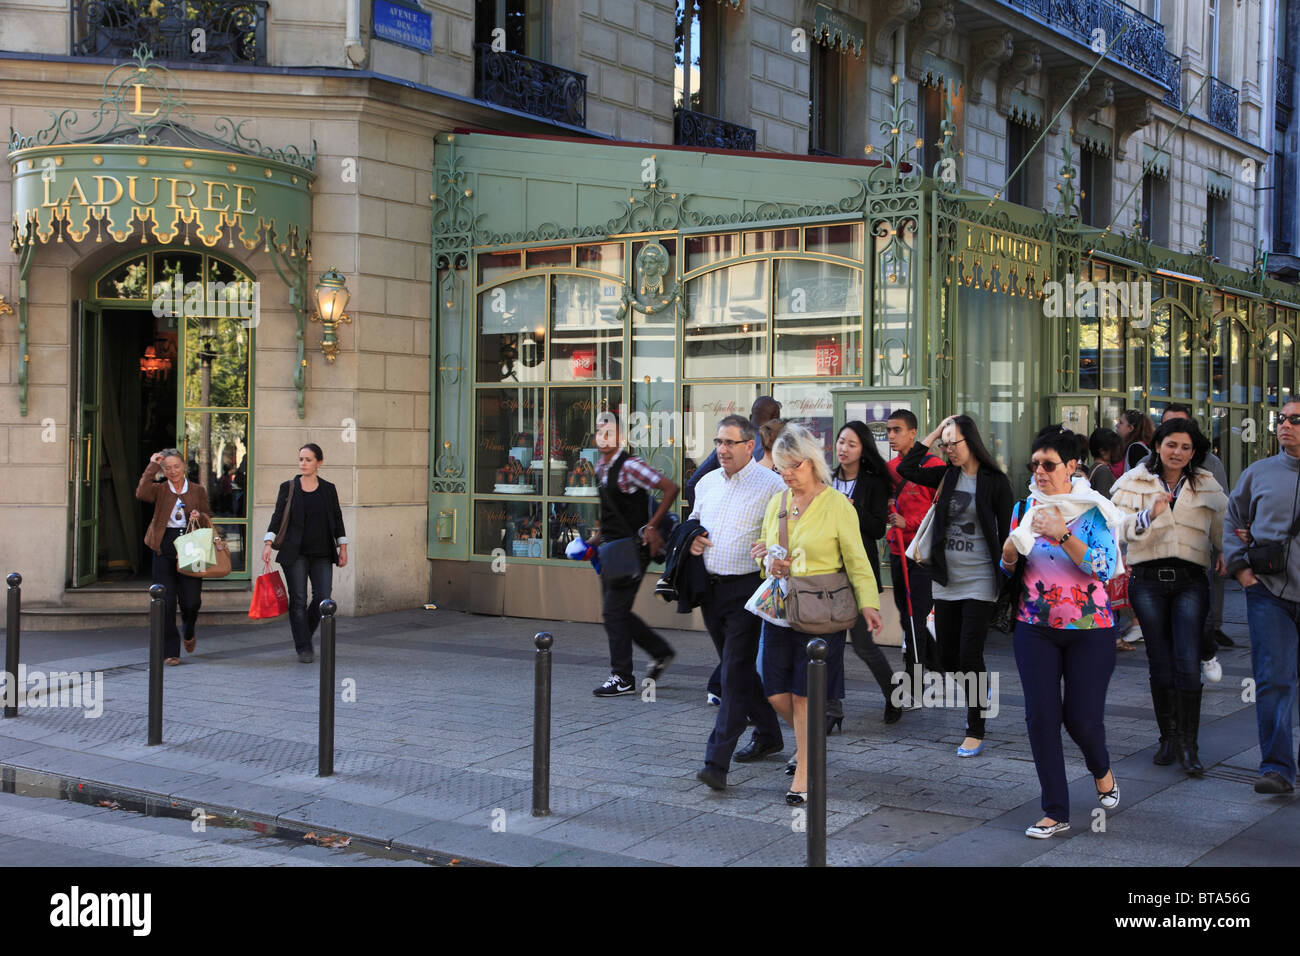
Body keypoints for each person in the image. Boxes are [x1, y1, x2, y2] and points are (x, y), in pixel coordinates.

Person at [1000, 425, 1123, 838]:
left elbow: (1104, 568)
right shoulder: (1024, 509)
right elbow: (1010, 567)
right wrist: (1008, 556)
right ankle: (1055, 809)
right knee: (1041, 717)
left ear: (1072, 467)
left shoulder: (1093, 510)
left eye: (1049, 464)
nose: (1040, 471)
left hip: (1091, 628)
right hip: (1034, 626)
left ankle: (1101, 769)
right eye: (1034, 464)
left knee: (1082, 720)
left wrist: (1062, 534)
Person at [753, 423, 883, 806]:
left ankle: (805, 776)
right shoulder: (777, 502)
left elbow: (857, 560)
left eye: (793, 466)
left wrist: (869, 604)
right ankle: (810, 745)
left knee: (804, 694)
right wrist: (767, 562)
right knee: (773, 688)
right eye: (780, 468)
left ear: (811, 462)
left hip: (822, 608)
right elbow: (768, 553)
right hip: (780, 607)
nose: (787, 474)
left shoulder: (837, 504)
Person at [1111, 420, 1227, 774]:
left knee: (1187, 660)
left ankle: (1189, 746)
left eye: (1186, 447)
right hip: (1147, 579)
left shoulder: (1206, 483)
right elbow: (1119, 530)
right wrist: (1150, 514)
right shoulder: (1132, 481)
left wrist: (1225, 552)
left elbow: (1221, 526)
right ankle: (1169, 738)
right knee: (1159, 660)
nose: (1177, 452)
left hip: (1191, 578)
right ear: (1157, 445)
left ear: (1194, 452)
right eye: (1171, 444)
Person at [899, 414, 1013, 757]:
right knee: (948, 657)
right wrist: (935, 432)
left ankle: (975, 728)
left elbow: (1007, 533)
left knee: (969, 653)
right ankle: (980, 691)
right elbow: (907, 468)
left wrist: (1009, 579)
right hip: (947, 578)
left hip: (980, 579)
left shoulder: (995, 481)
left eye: (954, 443)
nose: (948, 450)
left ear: (972, 441)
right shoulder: (946, 475)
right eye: (944, 444)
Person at [690, 415, 789, 790]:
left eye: (730, 443)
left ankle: (716, 763)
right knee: (738, 669)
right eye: (718, 442)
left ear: (751, 446)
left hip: (747, 591)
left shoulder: (773, 486)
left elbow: (783, 536)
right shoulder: (707, 482)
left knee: (732, 673)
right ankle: (768, 733)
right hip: (711, 591)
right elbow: (694, 523)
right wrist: (695, 537)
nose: (722, 449)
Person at [1222, 399, 1300, 794]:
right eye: (1280, 419)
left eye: (1295, 420)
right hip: (1269, 593)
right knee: (1273, 681)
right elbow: (1232, 517)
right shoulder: (1260, 472)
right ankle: (1277, 768)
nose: (1285, 426)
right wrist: (1241, 570)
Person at [589, 412, 680, 697]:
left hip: (633, 549)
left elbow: (670, 488)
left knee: (613, 612)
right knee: (615, 612)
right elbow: (611, 509)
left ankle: (622, 676)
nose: (604, 437)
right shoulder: (600, 468)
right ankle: (660, 651)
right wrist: (597, 536)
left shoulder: (631, 466)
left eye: (610, 432)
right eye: (600, 432)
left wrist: (652, 526)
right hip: (611, 549)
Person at [1160, 404, 1234, 682]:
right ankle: (1172, 675)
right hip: (1157, 556)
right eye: (1168, 426)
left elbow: (1221, 508)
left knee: (1200, 616)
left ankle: (1206, 651)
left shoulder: (1210, 464)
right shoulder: (1147, 467)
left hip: (1196, 553)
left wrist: (1224, 548)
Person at [831, 421, 898, 727]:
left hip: (858, 572)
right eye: (841, 441)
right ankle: (832, 711)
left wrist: (850, 509)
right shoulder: (827, 479)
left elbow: (875, 529)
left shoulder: (873, 482)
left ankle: (893, 694)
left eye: (852, 444)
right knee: (827, 647)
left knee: (862, 645)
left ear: (863, 450)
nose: (844, 449)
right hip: (827, 573)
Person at [262, 444, 348, 663]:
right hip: (295, 553)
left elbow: (337, 519)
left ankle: (303, 635)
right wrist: (267, 543)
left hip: (322, 553)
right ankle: (304, 647)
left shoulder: (328, 489)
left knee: (323, 597)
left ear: (319, 462)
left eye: (308, 459)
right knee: (298, 599)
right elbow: (277, 516)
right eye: (301, 459)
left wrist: (343, 548)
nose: (303, 463)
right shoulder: (289, 487)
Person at [885, 409, 945, 698]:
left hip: (920, 553)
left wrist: (906, 522)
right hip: (897, 550)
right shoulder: (890, 466)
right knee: (906, 615)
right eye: (888, 431)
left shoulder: (933, 465)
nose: (891, 436)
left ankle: (915, 679)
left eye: (897, 430)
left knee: (915, 617)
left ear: (913, 432)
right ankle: (937, 664)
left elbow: (938, 515)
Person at [136, 449, 211, 666]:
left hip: (191, 545)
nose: (173, 471)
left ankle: (189, 628)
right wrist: (152, 465)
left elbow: (208, 516)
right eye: (167, 468)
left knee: (191, 601)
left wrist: (200, 516)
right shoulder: (159, 489)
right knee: (165, 601)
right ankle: (171, 651)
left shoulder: (197, 490)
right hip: (164, 545)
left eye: (176, 466)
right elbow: (141, 492)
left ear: (184, 466)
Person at [684, 396, 781, 513]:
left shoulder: (726, 445)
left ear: (750, 417)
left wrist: (703, 516)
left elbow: (692, 484)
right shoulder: (776, 445)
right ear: (775, 419)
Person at [1087, 428, 1122, 500]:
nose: (1118, 451)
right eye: (1115, 448)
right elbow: (1104, 503)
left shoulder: (1095, 468)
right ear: (1102, 451)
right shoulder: (1103, 471)